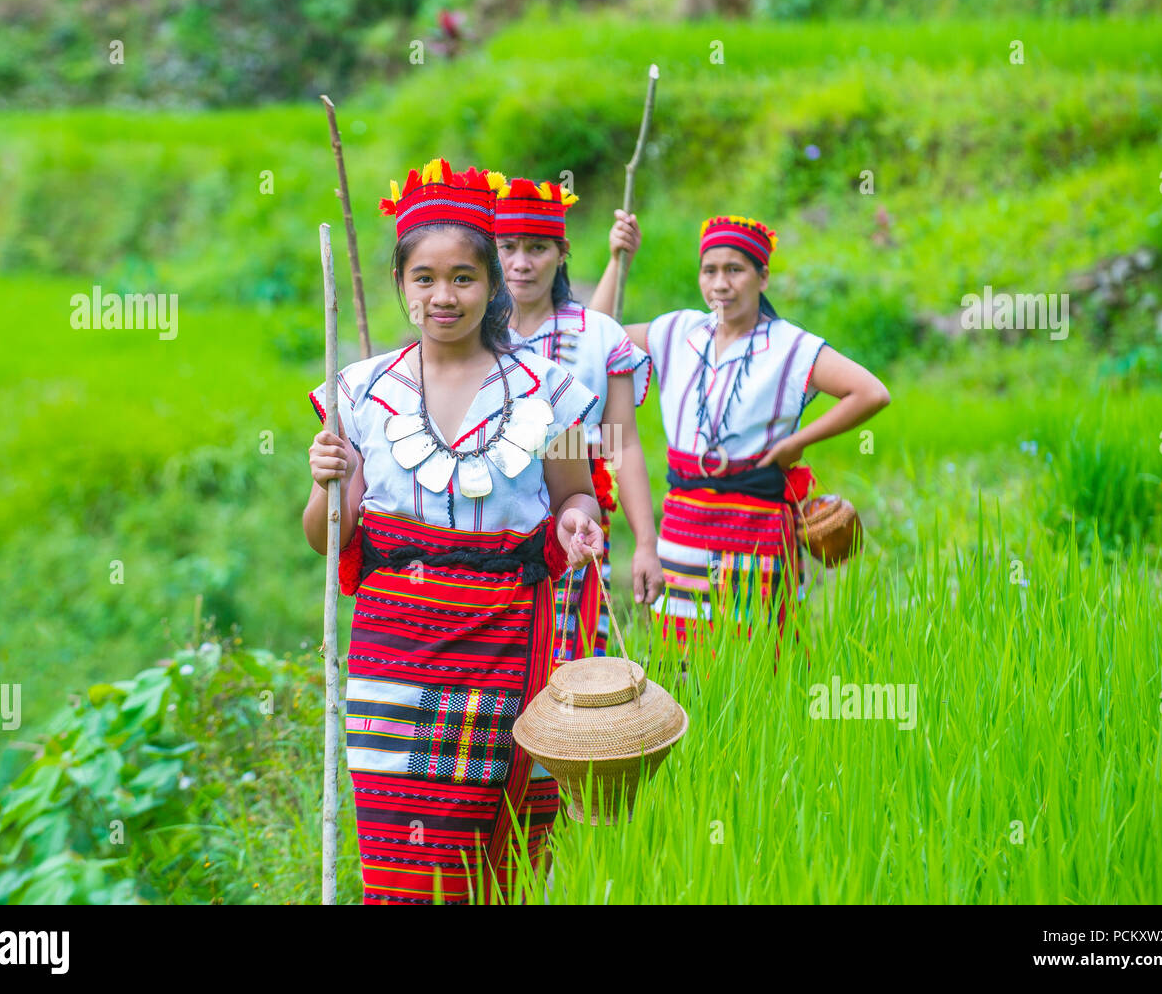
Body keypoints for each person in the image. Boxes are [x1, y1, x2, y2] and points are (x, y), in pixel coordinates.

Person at [303, 158, 604, 904]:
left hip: (505, 648)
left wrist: (578, 523)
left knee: (492, 852)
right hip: (392, 660)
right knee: (403, 855)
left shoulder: (554, 391)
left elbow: (577, 497)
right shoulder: (359, 392)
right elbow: (326, 538)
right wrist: (323, 481)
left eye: (464, 277)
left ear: (493, 283)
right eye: (426, 278)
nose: (444, 296)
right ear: (401, 283)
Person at [590, 211, 890, 651]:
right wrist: (620, 259)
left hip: (756, 526)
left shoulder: (791, 347)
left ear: (762, 277)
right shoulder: (677, 331)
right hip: (683, 525)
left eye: (735, 270)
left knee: (754, 654)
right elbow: (595, 338)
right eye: (710, 270)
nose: (720, 283)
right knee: (679, 658)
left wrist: (798, 442)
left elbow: (871, 392)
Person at [493, 177, 661, 663]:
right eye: (507, 247)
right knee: (492, 671)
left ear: (562, 253)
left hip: (576, 523)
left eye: (537, 248)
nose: (521, 263)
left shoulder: (599, 335)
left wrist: (646, 543)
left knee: (570, 671)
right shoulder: (472, 336)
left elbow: (621, 444)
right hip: (490, 524)